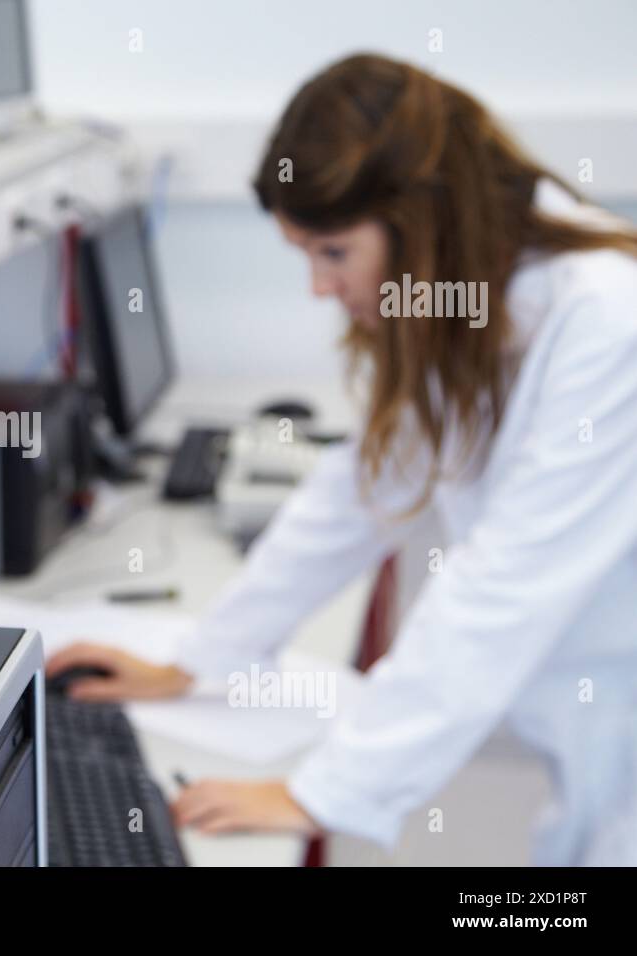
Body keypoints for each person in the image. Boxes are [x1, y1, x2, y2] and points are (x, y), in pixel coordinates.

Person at [46, 53, 637, 866]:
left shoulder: (605, 322)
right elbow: (362, 487)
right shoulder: (474, 298)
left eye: (332, 252)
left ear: (423, 225)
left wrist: (319, 792)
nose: (321, 289)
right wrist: (197, 659)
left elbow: (502, 586)